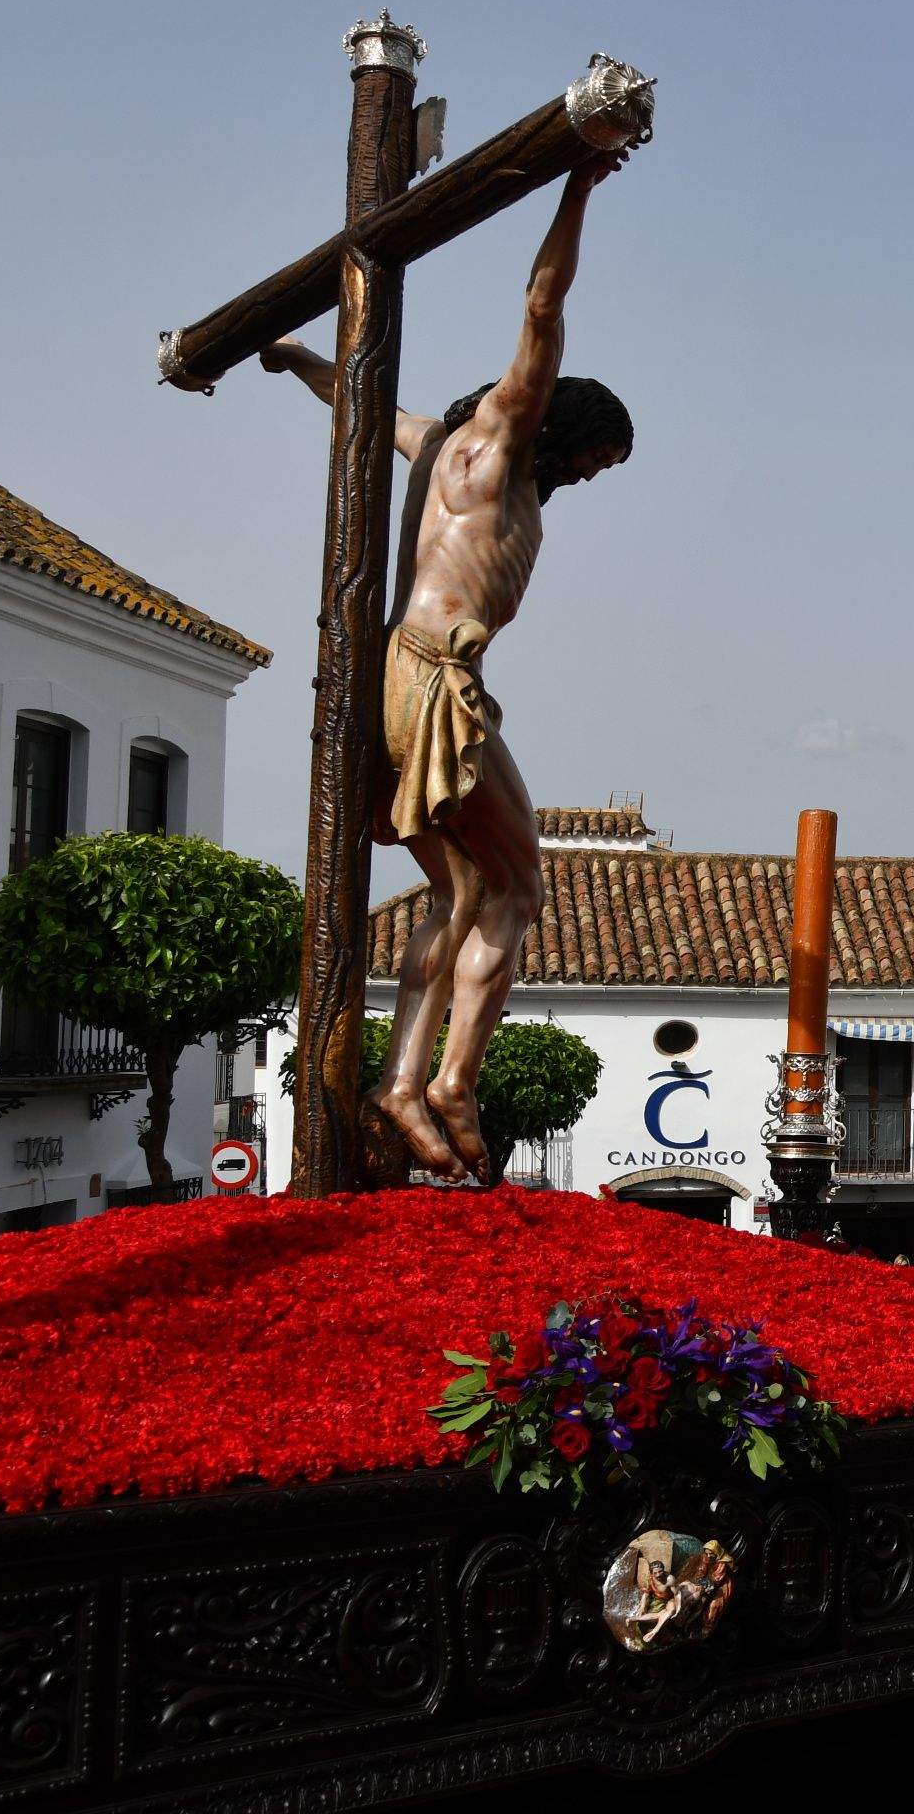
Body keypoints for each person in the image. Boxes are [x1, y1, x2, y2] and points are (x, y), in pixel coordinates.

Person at [259, 154, 634, 1183]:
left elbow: (362, 403)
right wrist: (581, 183)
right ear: (567, 427)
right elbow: (543, 305)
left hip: (394, 672)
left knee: (455, 893)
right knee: (518, 888)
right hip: (434, 681)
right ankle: (452, 1080)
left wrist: (293, 356)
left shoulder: (437, 448)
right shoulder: (505, 441)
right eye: (596, 460)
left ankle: (400, 1080)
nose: (588, 482)